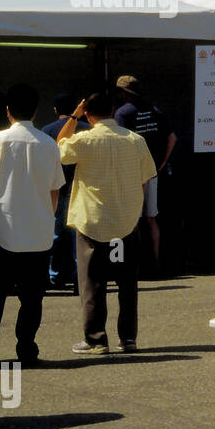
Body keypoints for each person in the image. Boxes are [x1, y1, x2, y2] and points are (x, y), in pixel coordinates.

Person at [0, 84, 64, 366]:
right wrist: (45, 216)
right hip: (39, 234)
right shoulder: (48, 144)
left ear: (8, 111)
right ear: (35, 110)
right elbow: (54, 192)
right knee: (32, 300)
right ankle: (27, 350)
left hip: (3, 231)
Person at [56, 91, 157, 355]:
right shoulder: (135, 140)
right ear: (113, 110)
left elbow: (59, 147)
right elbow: (146, 177)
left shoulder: (84, 139)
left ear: (87, 114)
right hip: (125, 220)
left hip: (92, 220)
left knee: (92, 283)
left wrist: (73, 116)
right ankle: (129, 338)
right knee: (126, 283)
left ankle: (96, 339)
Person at [114, 75, 177, 275]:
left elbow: (120, 142)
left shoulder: (122, 113)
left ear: (123, 93)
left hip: (132, 174)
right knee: (152, 220)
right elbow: (172, 138)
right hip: (153, 174)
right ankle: (156, 264)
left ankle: (134, 267)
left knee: (131, 220)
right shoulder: (155, 110)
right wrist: (162, 163)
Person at [41, 92, 89, 291]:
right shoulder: (87, 129)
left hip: (56, 189)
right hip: (81, 189)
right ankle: (78, 277)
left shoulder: (47, 130)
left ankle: (54, 275)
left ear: (55, 110)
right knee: (78, 235)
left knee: (55, 234)